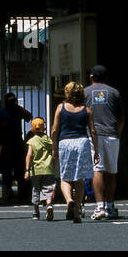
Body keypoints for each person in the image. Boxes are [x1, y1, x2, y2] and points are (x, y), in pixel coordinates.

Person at [50, 80, 97, 223]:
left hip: (65, 143)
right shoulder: (87, 110)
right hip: (82, 143)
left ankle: (69, 200)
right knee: (80, 179)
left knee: (65, 177)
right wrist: (97, 150)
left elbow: (54, 130)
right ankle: (76, 212)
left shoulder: (60, 108)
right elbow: (93, 132)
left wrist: (54, 147)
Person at [84, 64, 124, 220]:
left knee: (97, 169)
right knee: (111, 171)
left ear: (91, 77)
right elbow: (121, 118)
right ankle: (110, 205)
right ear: (106, 78)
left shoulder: (85, 92)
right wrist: (117, 134)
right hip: (112, 135)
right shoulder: (114, 92)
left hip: (94, 135)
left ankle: (100, 206)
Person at [0, 92, 32, 204]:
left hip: (14, 144)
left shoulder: (17, 111)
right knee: (9, 173)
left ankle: (16, 195)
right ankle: (10, 194)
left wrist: (19, 108)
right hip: (7, 145)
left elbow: (29, 116)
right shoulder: (2, 113)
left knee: (16, 172)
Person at [23, 117, 56, 220]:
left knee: (36, 189)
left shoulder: (31, 141)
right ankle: (49, 205)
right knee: (48, 189)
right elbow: (54, 153)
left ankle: (36, 212)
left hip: (36, 170)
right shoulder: (49, 140)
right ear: (44, 128)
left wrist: (27, 170)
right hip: (48, 169)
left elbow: (29, 155)